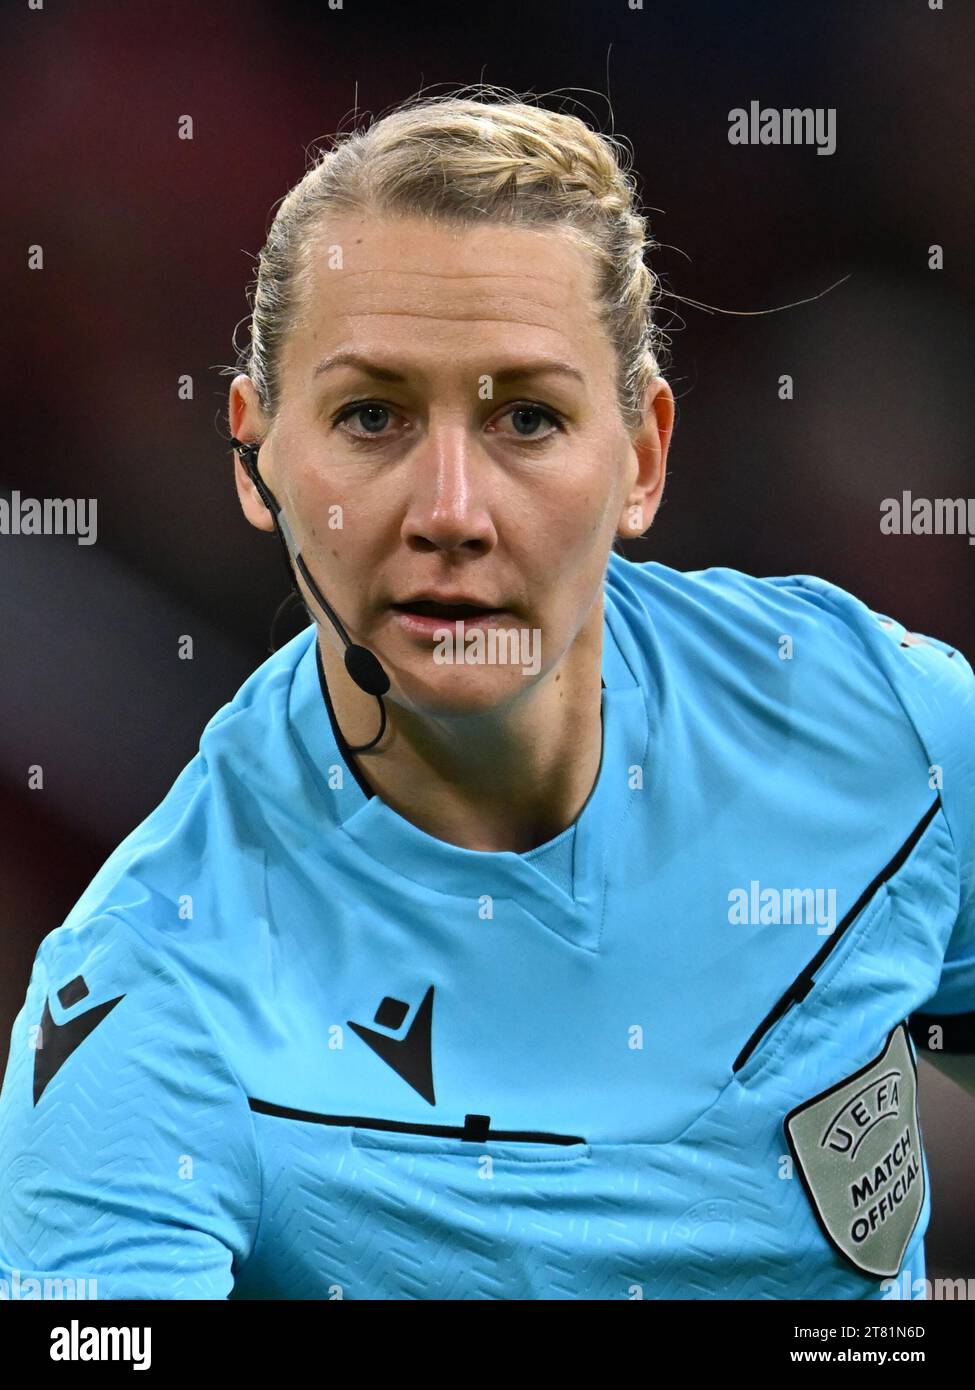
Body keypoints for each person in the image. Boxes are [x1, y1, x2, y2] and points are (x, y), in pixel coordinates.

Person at [1, 88, 973, 1302]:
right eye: (372, 416)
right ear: (255, 455)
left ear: (644, 455)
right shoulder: (142, 1008)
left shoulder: (884, 726)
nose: (451, 511)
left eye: (526, 415)